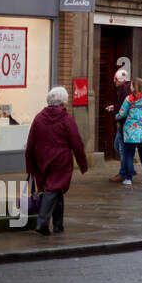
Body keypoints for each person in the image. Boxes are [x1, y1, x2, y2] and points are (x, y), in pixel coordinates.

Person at [24, 87, 89, 235]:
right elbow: (76, 143)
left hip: (41, 160)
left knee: (56, 190)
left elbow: (30, 143)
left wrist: (30, 165)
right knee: (52, 190)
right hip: (60, 161)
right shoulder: (66, 119)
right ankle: (42, 223)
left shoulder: (39, 117)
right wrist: (82, 163)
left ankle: (58, 225)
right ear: (64, 101)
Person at [115, 78, 142, 186]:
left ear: (135, 87)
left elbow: (122, 113)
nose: (130, 87)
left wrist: (116, 117)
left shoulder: (129, 99)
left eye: (131, 85)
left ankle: (128, 178)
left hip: (131, 131)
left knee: (128, 155)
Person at [107, 67, 131, 183]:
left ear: (122, 80)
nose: (114, 81)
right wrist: (114, 107)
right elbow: (122, 105)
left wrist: (118, 119)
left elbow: (124, 109)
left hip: (123, 125)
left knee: (121, 149)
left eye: (116, 79)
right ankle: (128, 169)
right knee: (118, 146)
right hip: (124, 124)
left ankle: (124, 173)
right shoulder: (126, 89)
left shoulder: (123, 90)